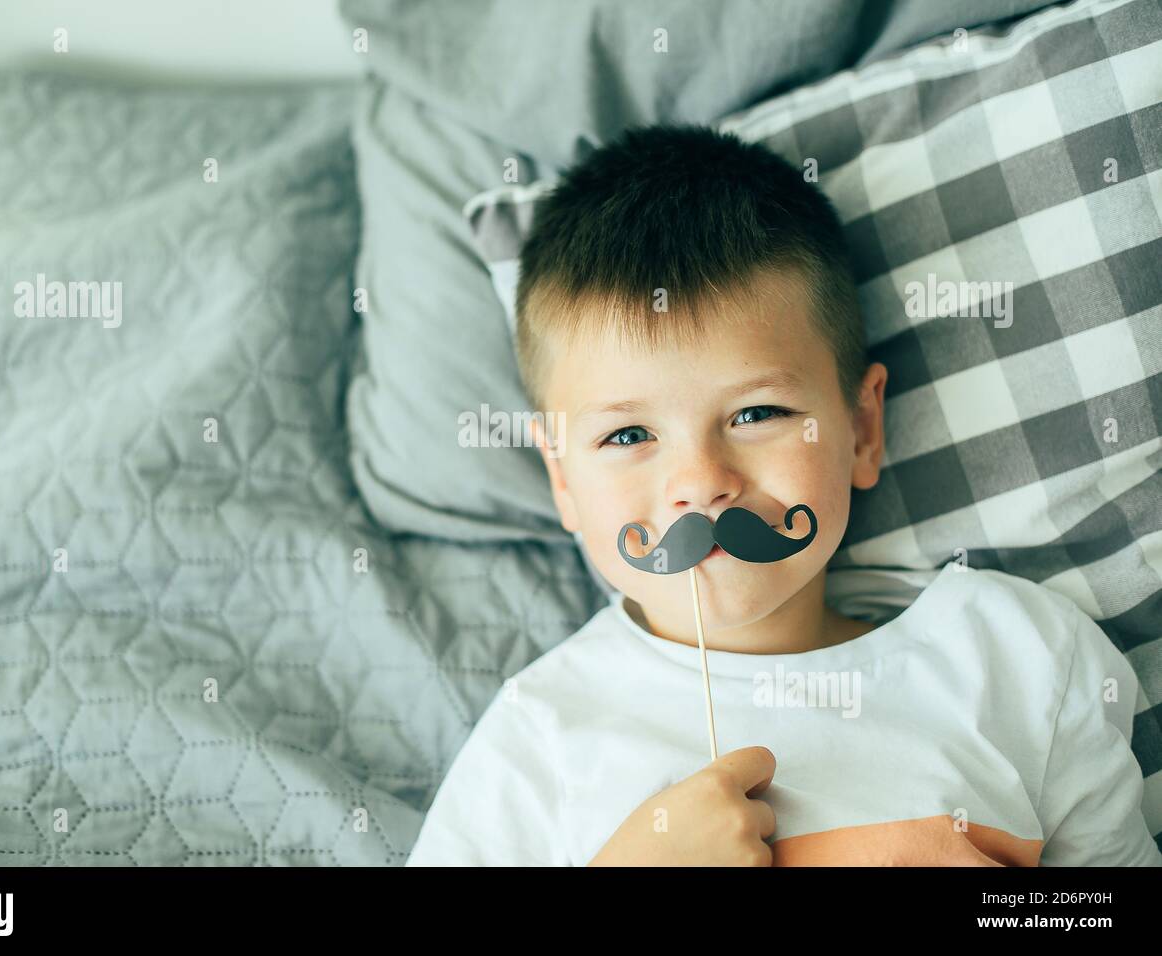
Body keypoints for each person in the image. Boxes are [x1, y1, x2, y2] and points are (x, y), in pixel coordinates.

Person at [405, 124, 1160, 866]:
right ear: (563, 479)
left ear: (862, 429)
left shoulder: (1020, 663)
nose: (700, 483)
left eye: (757, 415)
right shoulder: (538, 741)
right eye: (629, 435)